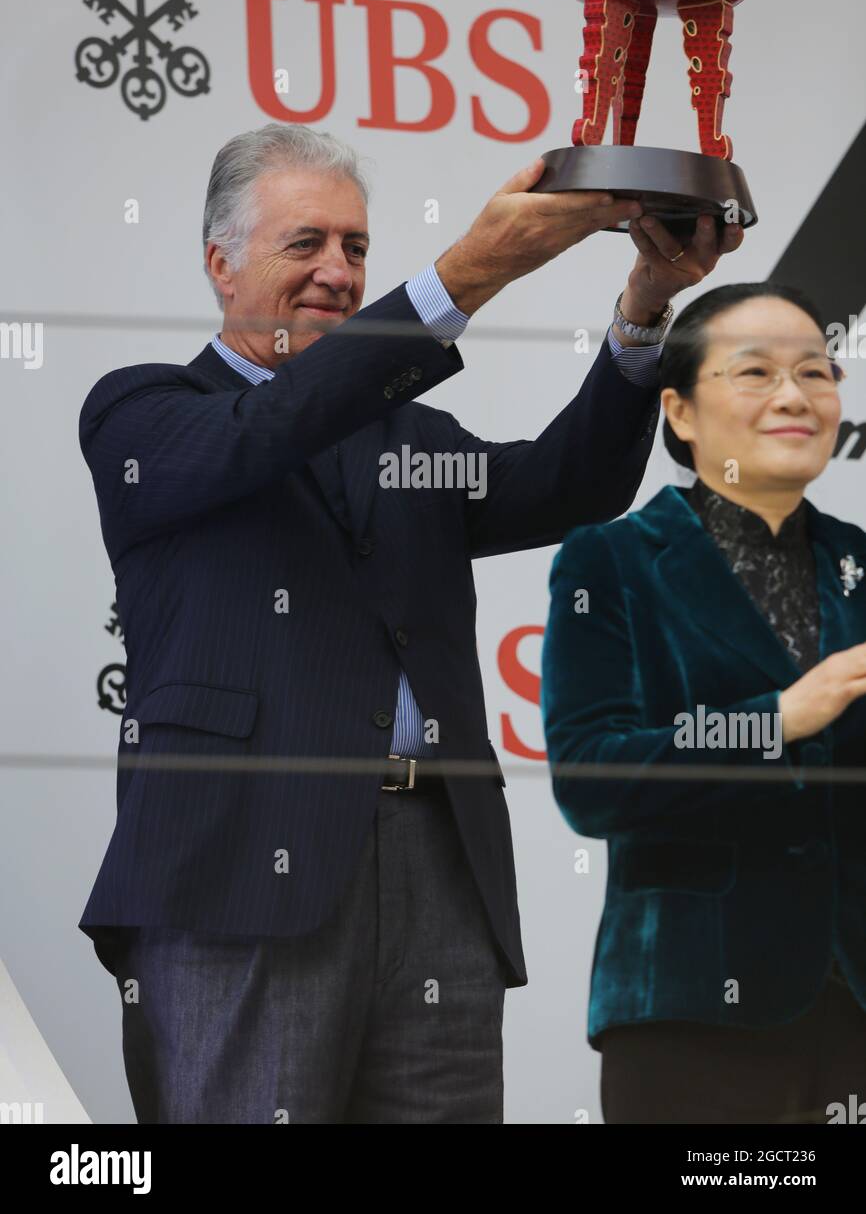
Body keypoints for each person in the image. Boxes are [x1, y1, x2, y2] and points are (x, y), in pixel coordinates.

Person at [79, 121, 740, 1124]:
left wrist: (644, 308)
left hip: (439, 871)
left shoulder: (408, 435)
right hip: (238, 874)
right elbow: (264, 431)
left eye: (355, 248)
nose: (337, 273)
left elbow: (573, 483)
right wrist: (464, 275)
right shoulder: (142, 415)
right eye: (304, 244)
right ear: (219, 262)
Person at [542, 281, 866, 1124]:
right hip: (692, 1008)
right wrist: (778, 720)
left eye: (817, 373)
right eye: (755, 373)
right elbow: (591, 778)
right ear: (681, 413)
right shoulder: (612, 561)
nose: (796, 395)